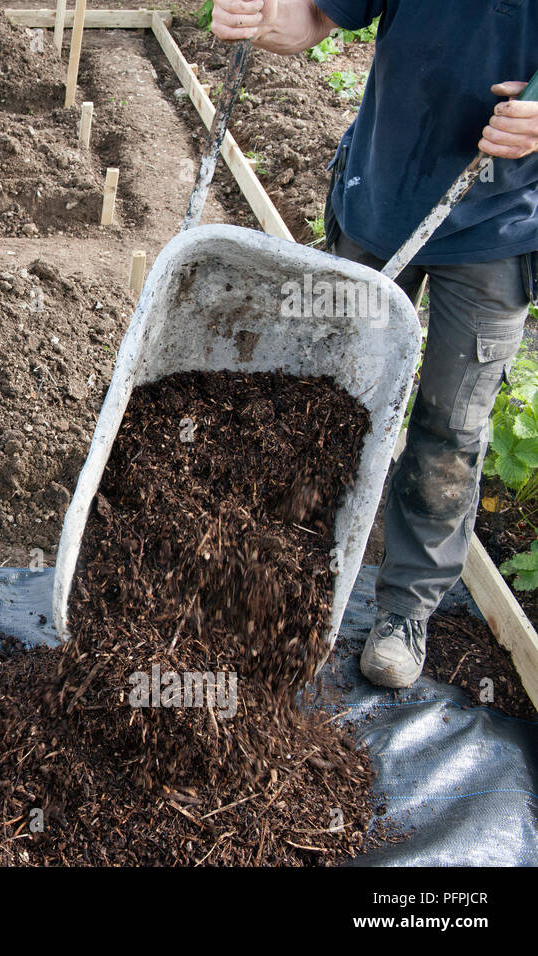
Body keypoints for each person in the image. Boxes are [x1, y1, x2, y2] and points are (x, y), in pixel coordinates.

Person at [210, 0, 538, 688]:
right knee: (329, 402)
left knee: (450, 430)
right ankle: (286, 577)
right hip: (378, 200)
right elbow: (318, 20)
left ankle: (403, 612)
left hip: (497, 227)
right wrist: (261, 18)